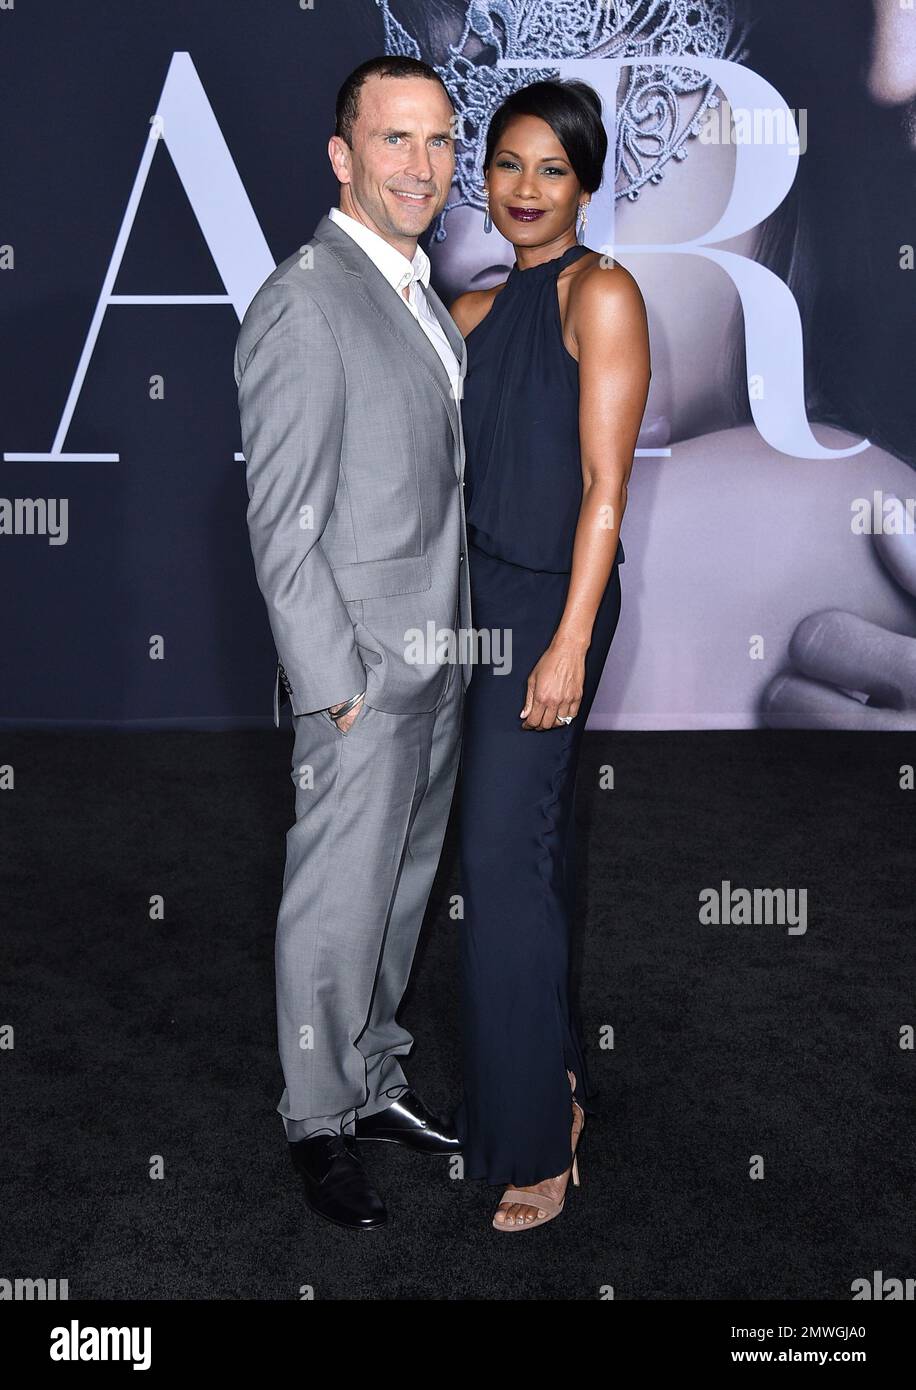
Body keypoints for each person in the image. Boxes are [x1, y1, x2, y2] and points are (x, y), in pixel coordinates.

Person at [234, 55, 472, 1230]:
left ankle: (372, 1078)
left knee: (399, 888)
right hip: (364, 677)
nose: (421, 165)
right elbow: (282, 524)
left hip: (437, 659)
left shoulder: (417, 290)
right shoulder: (306, 300)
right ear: (342, 154)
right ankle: (318, 1119)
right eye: (394, 139)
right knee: (336, 901)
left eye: (439, 140)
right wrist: (334, 686)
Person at [448, 79, 651, 1229]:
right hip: (471, 602)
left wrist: (568, 642)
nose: (526, 189)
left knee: (499, 856)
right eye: (508, 164)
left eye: (553, 169)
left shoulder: (601, 293)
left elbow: (606, 488)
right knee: (521, 851)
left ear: (585, 184)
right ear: (484, 175)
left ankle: (535, 1145)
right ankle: (555, 1081)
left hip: (551, 603)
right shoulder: (472, 309)